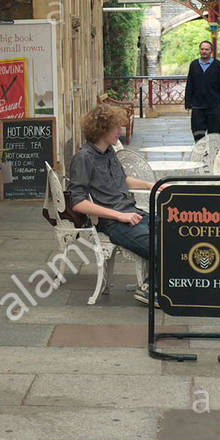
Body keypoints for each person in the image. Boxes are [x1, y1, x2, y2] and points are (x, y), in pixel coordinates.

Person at [66, 103, 155, 305]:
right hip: (113, 223)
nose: (120, 132)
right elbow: (77, 202)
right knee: (161, 245)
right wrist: (119, 216)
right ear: (103, 129)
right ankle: (151, 289)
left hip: (131, 213)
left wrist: (151, 185)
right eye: (116, 128)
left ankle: (165, 284)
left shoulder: (108, 152)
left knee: (175, 230)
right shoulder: (83, 158)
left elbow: (122, 181)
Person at [183, 39, 220, 141]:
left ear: (211, 51)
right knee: (198, 134)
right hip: (198, 107)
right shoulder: (194, 65)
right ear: (199, 50)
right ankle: (201, 155)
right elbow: (190, 84)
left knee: (214, 136)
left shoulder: (218, 65)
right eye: (202, 49)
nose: (204, 51)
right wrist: (187, 103)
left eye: (206, 49)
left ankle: (213, 156)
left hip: (214, 106)